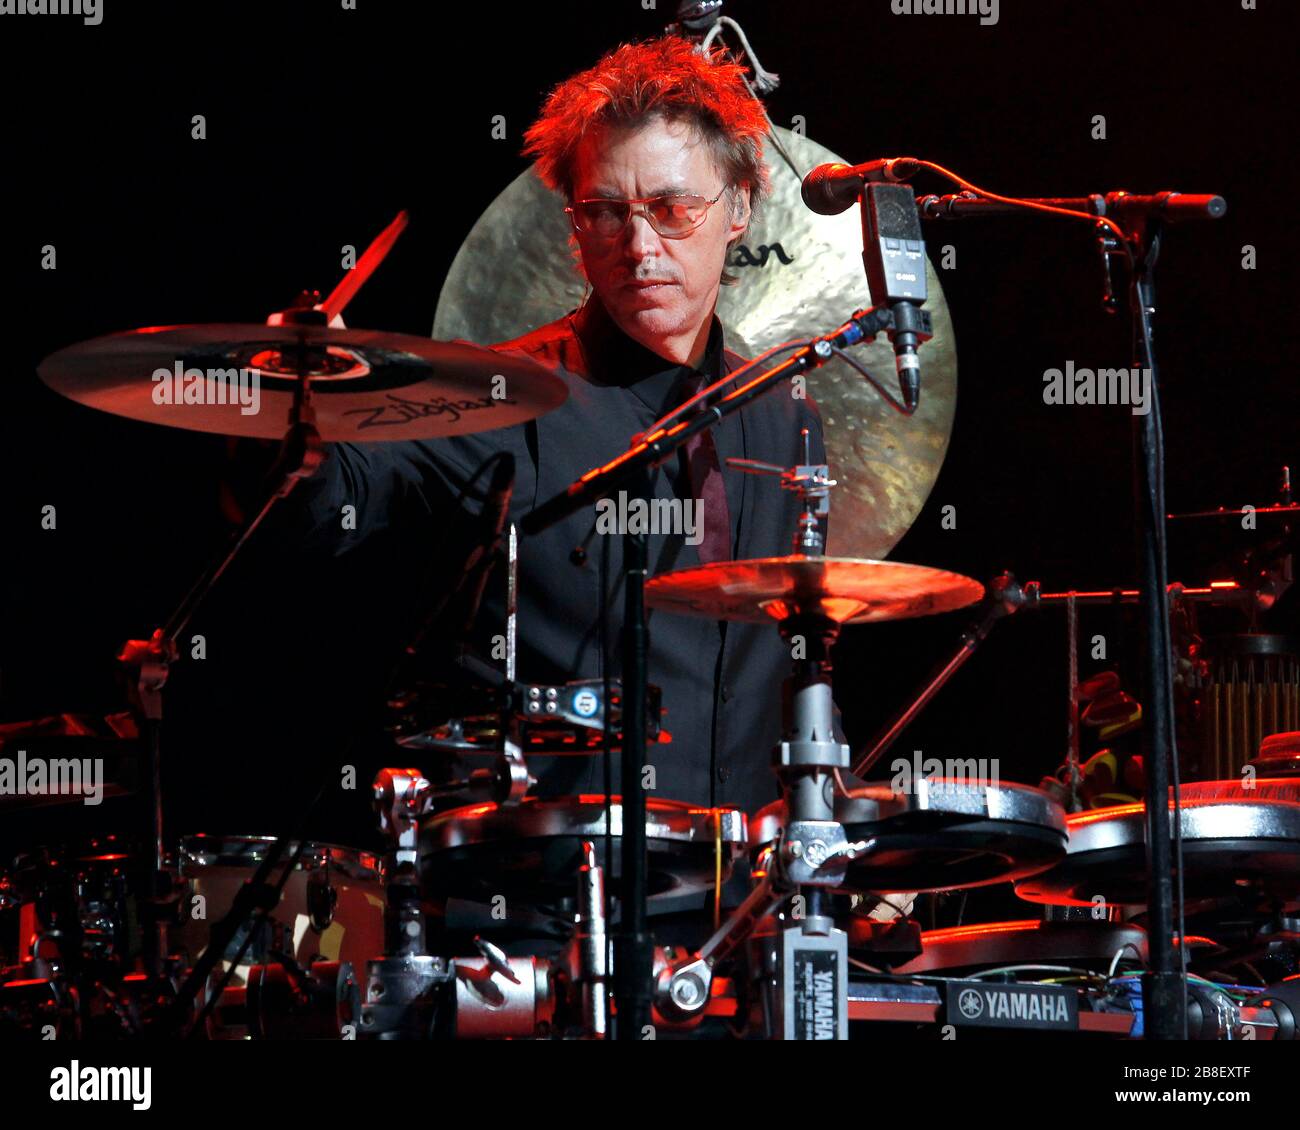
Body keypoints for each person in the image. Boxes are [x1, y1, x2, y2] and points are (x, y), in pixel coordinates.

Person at [288, 35, 836, 830]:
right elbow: (327, 507)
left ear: (741, 208)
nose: (640, 248)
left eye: (674, 210)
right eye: (606, 213)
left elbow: (801, 664)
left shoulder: (788, 418)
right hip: (541, 908)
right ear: (574, 228)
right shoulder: (496, 395)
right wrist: (296, 414)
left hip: (736, 913)